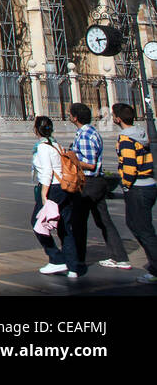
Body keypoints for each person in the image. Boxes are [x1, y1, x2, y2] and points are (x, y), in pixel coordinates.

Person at [69, 102, 131, 269]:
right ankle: (120, 257)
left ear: (75, 118)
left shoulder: (84, 135)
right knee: (104, 221)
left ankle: (78, 259)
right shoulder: (92, 132)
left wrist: (72, 160)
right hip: (98, 182)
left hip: (89, 183)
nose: (69, 116)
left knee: (79, 221)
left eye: (70, 114)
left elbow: (89, 164)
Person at [112, 102, 157, 283]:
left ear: (118, 119)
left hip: (137, 188)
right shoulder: (140, 134)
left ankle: (155, 269)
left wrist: (126, 185)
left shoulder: (126, 139)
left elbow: (130, 167)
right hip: (149, 185)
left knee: (143, 229)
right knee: (137, 225)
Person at [31, 115, 80, 278]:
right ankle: (73, 267)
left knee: (37, 222)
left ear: (36, 130)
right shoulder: (57, 145)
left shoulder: (43, 148)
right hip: (64, 188)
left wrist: (44, 195)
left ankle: (56, 258)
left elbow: (47, 172)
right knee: (64, 227)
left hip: (52, 189)